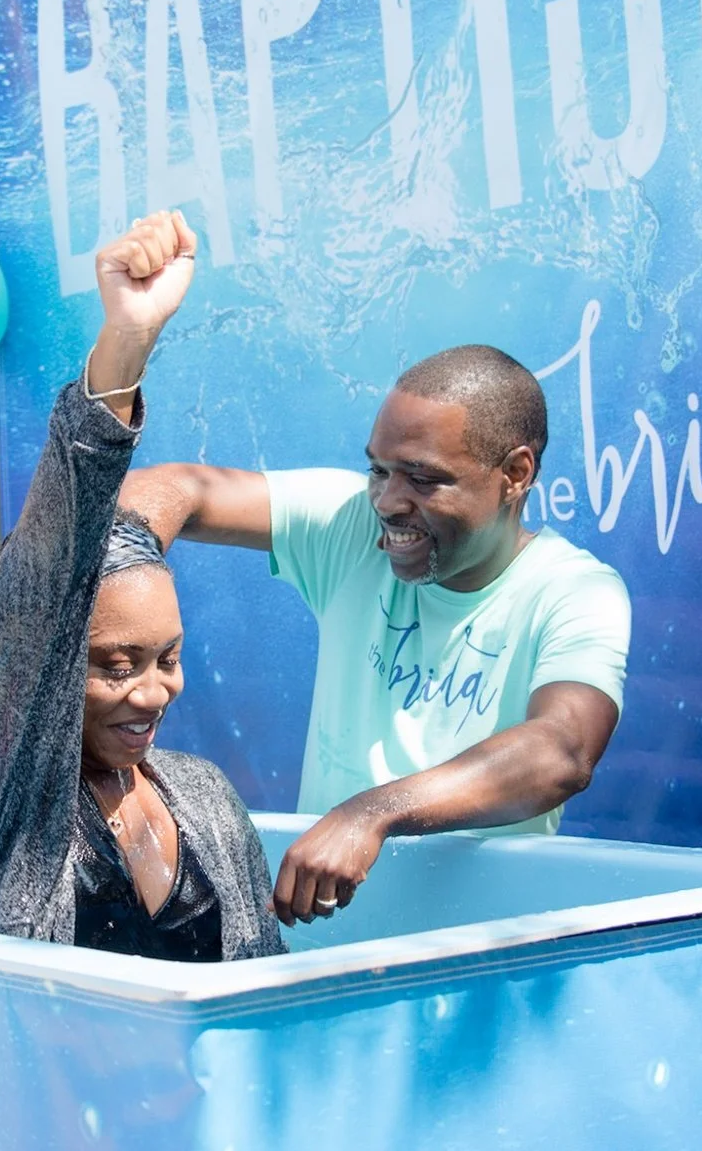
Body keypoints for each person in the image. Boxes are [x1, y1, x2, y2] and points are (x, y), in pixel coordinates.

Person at [122, 346, 630, 926]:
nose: (388, 502)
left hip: (481, 962)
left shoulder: (575, 590)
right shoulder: (350, 525)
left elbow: (562, 749)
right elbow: (180, 489)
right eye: (379, 471)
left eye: (423, 479)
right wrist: (114, 569)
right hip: (321, 943)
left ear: (514, 475)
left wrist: (372, 814)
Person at [0, 213, 285, 963]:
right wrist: (126, 347)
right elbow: (51, 557)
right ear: (37, 665)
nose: (151, 692)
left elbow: (260, 990)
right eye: (114, 665)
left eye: (166, 657)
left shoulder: (203, 796)